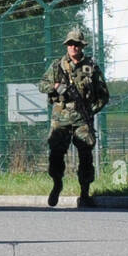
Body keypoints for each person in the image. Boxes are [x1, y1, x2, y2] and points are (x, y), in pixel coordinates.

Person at [38, 27, 109, 208]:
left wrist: (91, 110)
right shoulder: (57, 66)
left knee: (85, 156)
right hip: (60, 118)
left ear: (82, 46)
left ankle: (84, 193)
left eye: (77, 44)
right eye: (70, 44)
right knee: (56, 155)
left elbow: (103, 95)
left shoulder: (91, 67)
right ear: (66, 46)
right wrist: (55, 86)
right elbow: (41, 85)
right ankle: (57, 184)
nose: (73, 47)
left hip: (82, 119)